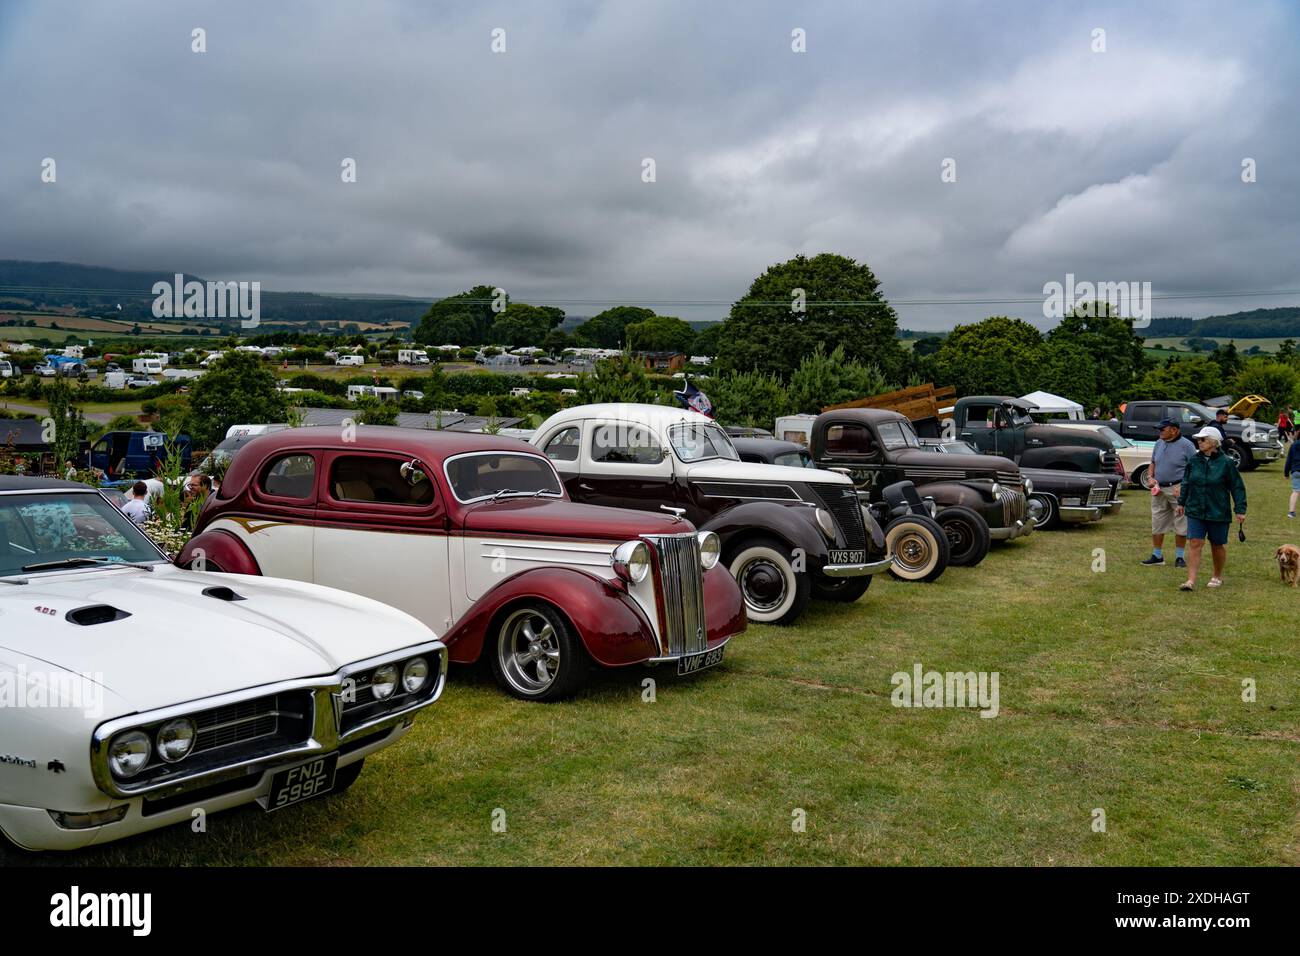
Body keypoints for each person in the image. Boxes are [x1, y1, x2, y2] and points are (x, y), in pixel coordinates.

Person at [1177, 427, 1247, 590]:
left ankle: (1217, 576)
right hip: (1195, 509)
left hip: (1218, 510)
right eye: (1198, 440)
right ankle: (1190, 580)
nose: (1199, 442)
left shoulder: (1227, 463)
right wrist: (1181, 502)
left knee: (1217, 544)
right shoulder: (1194, 461)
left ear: (1213, 442)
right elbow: (1186, 482)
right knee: (1195, 542)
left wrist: (1240, 509)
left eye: (1203, 440)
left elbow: (1237, 487)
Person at [1143, 418, 1195, 568]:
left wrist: (1183, 485)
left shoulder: (1187, 445)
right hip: (1159, 489)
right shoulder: (1159, 443)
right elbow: (1153, 462)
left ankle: (1180, 557)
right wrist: (1150, 477)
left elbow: (1193, 468)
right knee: (1157, 521)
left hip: (1178, 489)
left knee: (1181, 522)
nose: (1160, 432)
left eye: (1162, 429)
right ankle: (1157, 555)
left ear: (1174, 430)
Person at [1285, 436, 1300, 518]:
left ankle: (1291, 512)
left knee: (1295, 491)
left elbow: (1288, 460)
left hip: (1296, 471)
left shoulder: (1293, 445)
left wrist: (1286, 473)